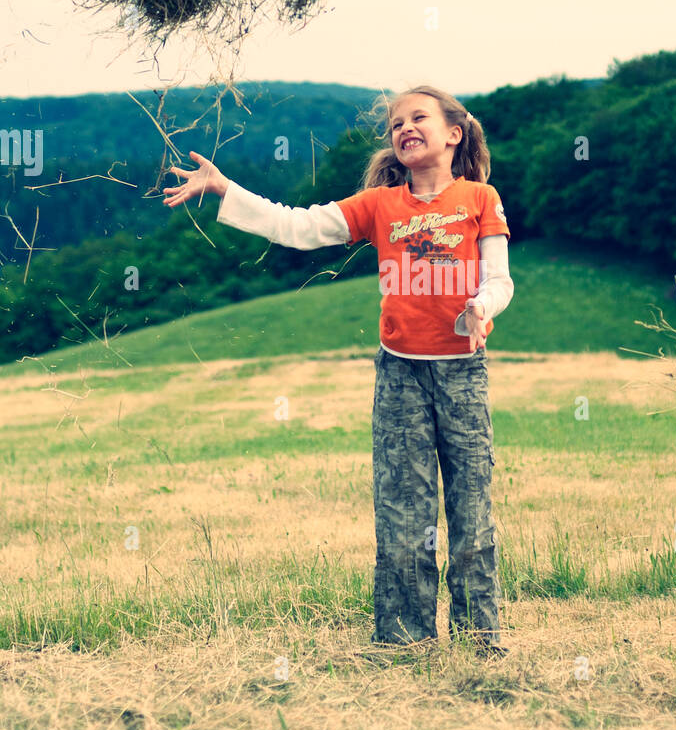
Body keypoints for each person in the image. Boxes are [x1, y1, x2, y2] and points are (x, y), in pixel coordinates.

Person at [162, 85, 514, 655]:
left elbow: (499, 279)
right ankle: (405, 641)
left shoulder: (479, 198)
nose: (404, 128)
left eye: (417, 117)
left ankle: (482, 641)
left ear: (454, 132)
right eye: (396, 123)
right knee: (404, 509)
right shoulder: (379, 205)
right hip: (399, 375)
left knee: (471, 510)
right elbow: (296, 227)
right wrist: (226, 188)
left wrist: (481, 306)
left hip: (462, 372)